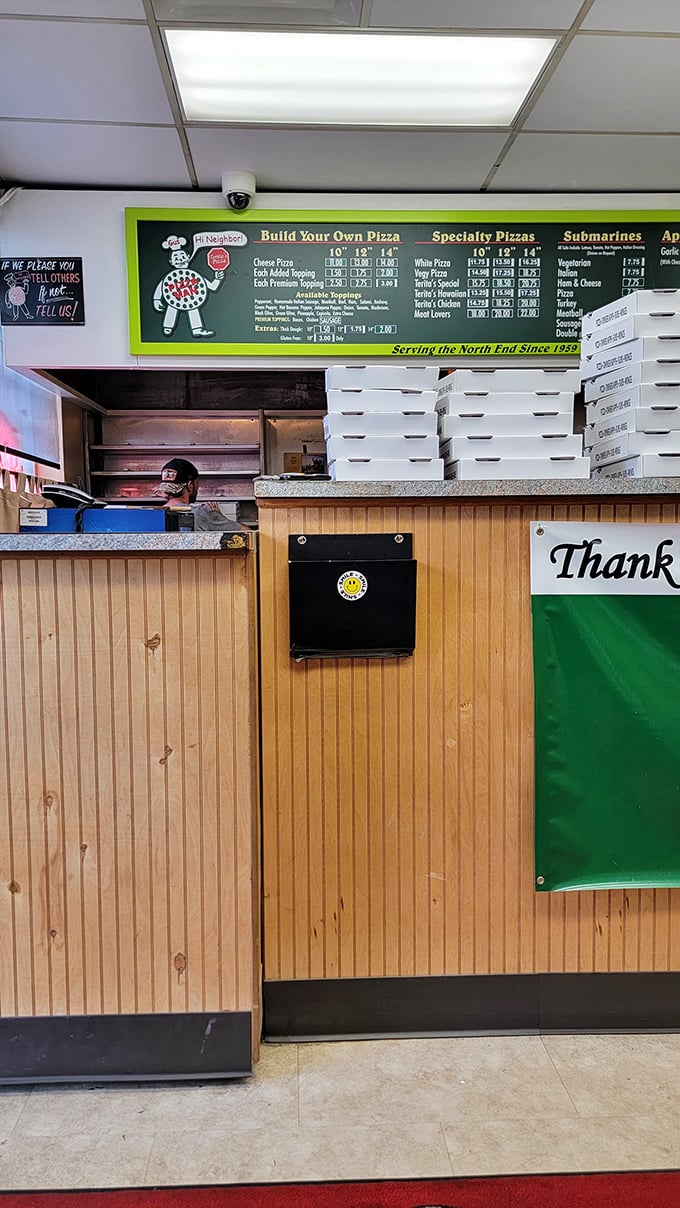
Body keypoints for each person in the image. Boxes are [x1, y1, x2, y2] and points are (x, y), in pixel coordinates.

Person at [152, 457, 241, 531]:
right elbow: (247, 534)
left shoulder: (152, 516)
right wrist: (218, 516)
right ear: (190, 485)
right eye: (197, 483)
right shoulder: (202, 513)